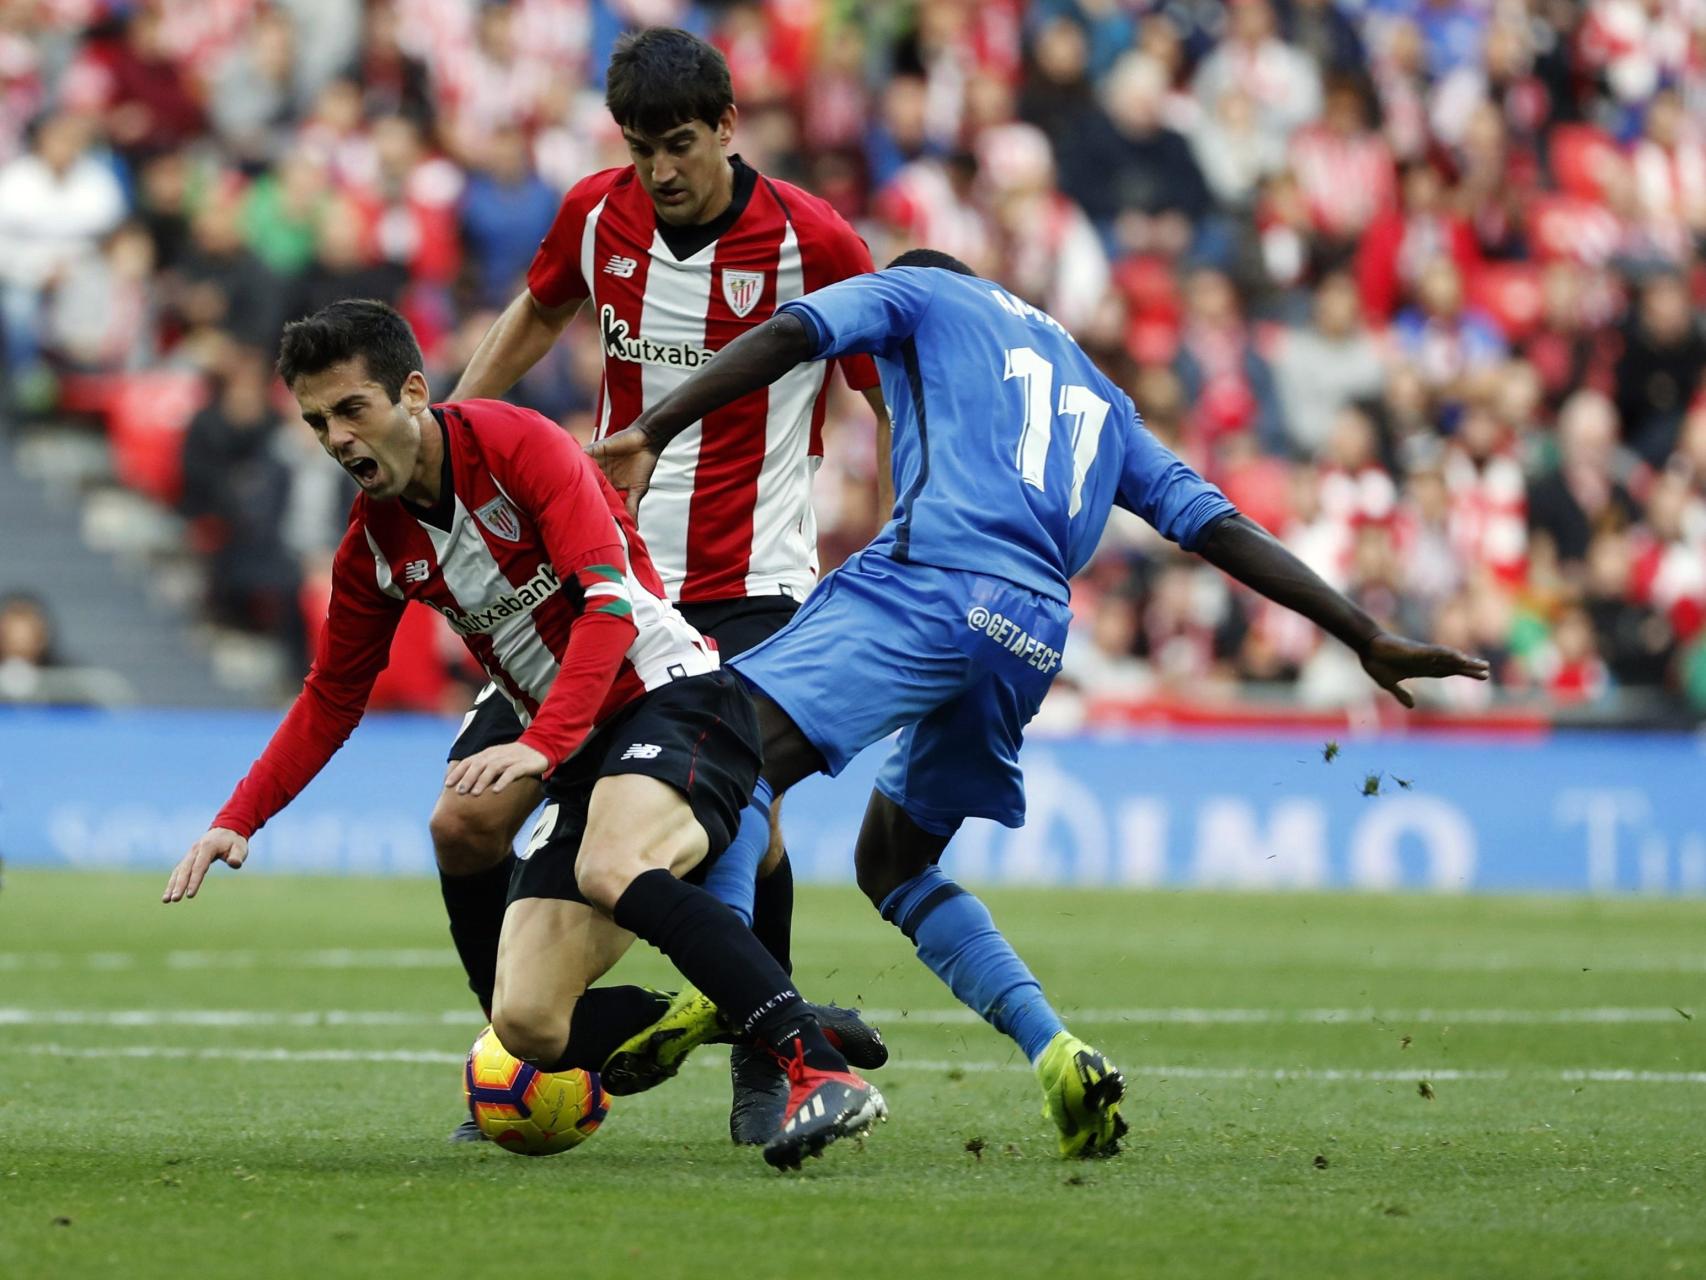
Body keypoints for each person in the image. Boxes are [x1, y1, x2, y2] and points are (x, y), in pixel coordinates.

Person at [590, 250, 1490, 1157]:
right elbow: (1210, 520)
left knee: (725, 747)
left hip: (935, 579)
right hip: (1031, 632)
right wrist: (1361, 631)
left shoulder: (922, 291)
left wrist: (657, 427)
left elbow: (794, 331)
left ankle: (735, 989)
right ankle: (1058, 1053)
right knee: (895, 866)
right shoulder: (1100, 392)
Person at [161, 300, 886, 1171]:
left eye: (353, 409)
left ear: (415, 394)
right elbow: (329, 697)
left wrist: (543, 744)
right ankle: (740, 1007)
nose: (338, 438)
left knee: (609, 867)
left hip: (675, 697)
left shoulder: (518, 446)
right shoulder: (375, 548)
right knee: (532, 1023)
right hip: (578, 745)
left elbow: (609, 605)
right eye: (318, 421)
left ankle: (818, 1070)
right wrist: (238, 817)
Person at [441, 26, 892, 1143]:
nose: (658, 168)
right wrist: (452, 429)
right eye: (639, 146)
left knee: (748, 817)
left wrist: (916, 526)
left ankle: (763, 1058)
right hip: (601, 578)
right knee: (467, 813)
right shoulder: (599, 214)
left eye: (678, 143)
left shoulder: (812, 240)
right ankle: (543, 1038)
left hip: (750, 579)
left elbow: (890, 388)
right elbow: (540, 311)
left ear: (729, 127)